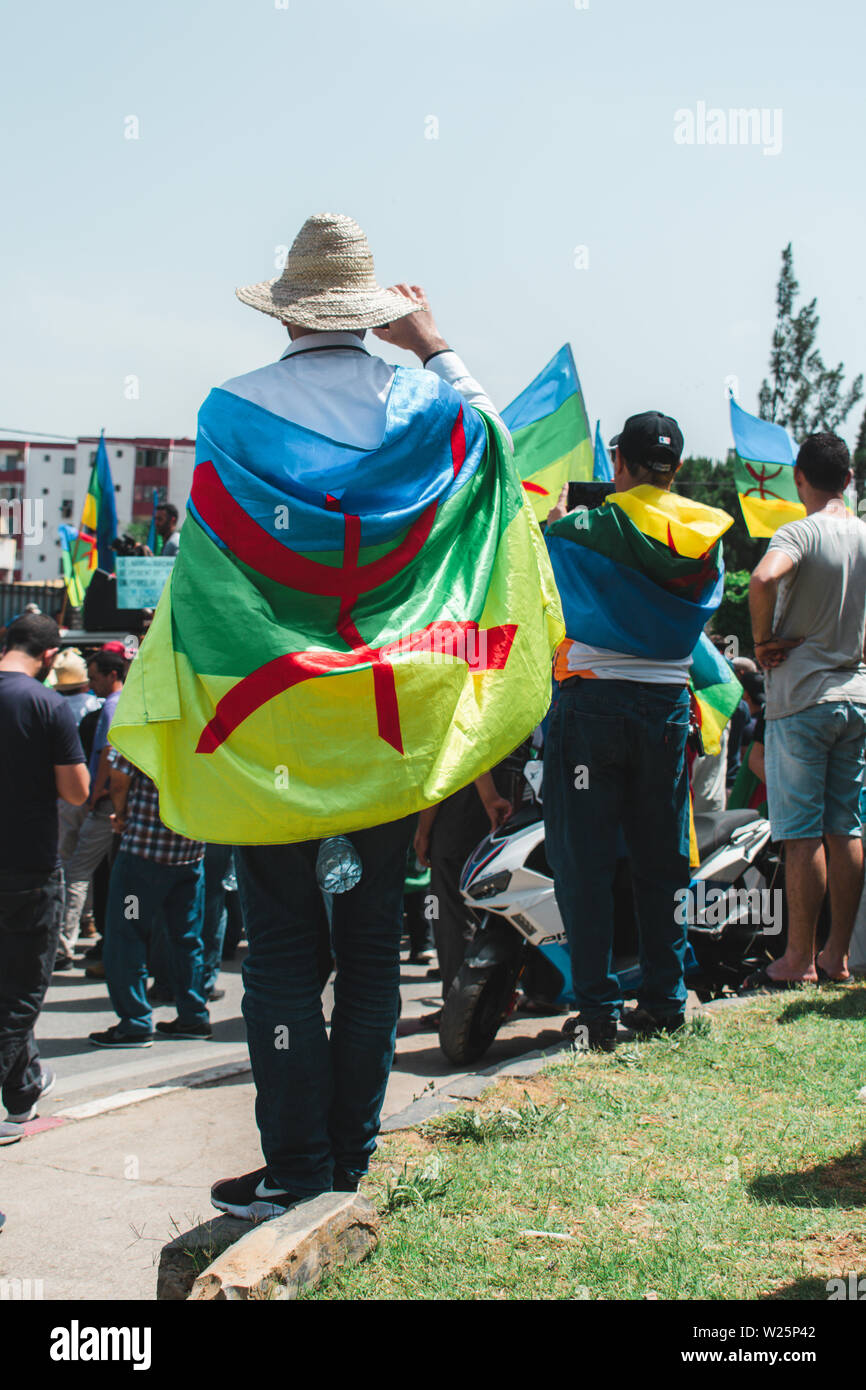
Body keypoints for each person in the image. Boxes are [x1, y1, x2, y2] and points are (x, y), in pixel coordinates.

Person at [102, 211, 559, 1223]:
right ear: (370, 311)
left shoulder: (229, 413)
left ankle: (294, 1168)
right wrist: (433, 343)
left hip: (268, 730)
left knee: (278, 957)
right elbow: (506, 457)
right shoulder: (429, 411)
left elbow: (209, 573)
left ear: (288, 311)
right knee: (366, 955)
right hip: (386, 729)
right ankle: (351, 1162)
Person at [543, 412, 733, 1050]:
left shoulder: (587, 525)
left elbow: (545, 579)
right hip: (667, 708)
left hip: (592, 706)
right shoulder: (707, 534)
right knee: (662, 861)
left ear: (617, 462)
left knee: (584, 862)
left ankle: (597, 1013)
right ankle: (665, 1001)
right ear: (676, 468)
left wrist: (556, 520)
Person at [747, 432, 866, 988]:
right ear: (847, 479)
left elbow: (764, 577)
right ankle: (837, 956)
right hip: (856, 695)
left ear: (799, 479)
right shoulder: (864, 534)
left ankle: (798, 958)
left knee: (801, 835)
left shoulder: (799, 530)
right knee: (846, 827)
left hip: (801, 700)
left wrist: (762, 640)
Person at [0, 614, 89, 1145]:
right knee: (23, 992)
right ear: (51, 655)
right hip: (30, 866)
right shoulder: (47, 704)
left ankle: (24, 1088)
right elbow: (77, 792)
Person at [88, 753, 209, 1047]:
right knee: (186, 938)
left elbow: (118, 782)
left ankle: (135, 1022)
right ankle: (193, 1016)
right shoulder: (201, 725)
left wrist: (120, 815)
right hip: (189, 852)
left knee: (126, 937)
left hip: (143, 853)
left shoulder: (146, 722)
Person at [414, 770, 515, 1013]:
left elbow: (445, 765)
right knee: (500, 909)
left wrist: (423, 830)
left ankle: (459, 1009)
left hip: (459, 813)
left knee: (452, 917)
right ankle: (499, 1001)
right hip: (507, 805)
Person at [54, 650, 127, 968]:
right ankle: (108, 938)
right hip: (114, 803)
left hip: (103, 802)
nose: (93, 684)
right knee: (110, 873)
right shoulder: (116, 703)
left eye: (96, 677)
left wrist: (95, 795)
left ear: (112, 675)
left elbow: (109, 757)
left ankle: (62, 945)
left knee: (78, 870)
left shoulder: (111, 705)